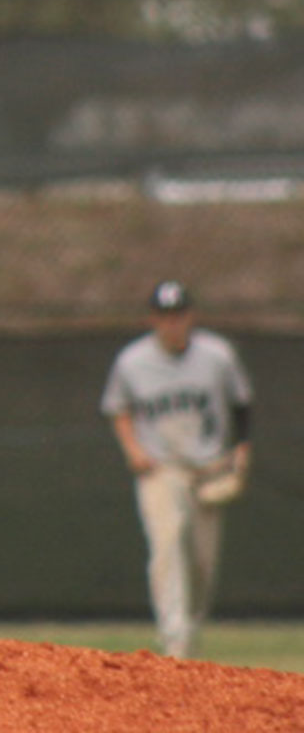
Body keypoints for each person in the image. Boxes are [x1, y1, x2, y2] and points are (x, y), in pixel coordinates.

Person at [99, 280, 254, 659]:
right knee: (167, 546)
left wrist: (242, 451)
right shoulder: (132, 361)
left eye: (178, 315)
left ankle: (190, 628)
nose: (172, 323)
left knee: (202, 562)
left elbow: (241, 404)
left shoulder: (217, 355)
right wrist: (133, 450)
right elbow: (118, 408)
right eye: (165, 316)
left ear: (191, 316)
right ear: (153, 319)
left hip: (209, 467)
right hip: (161, 469)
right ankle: (175, 639)